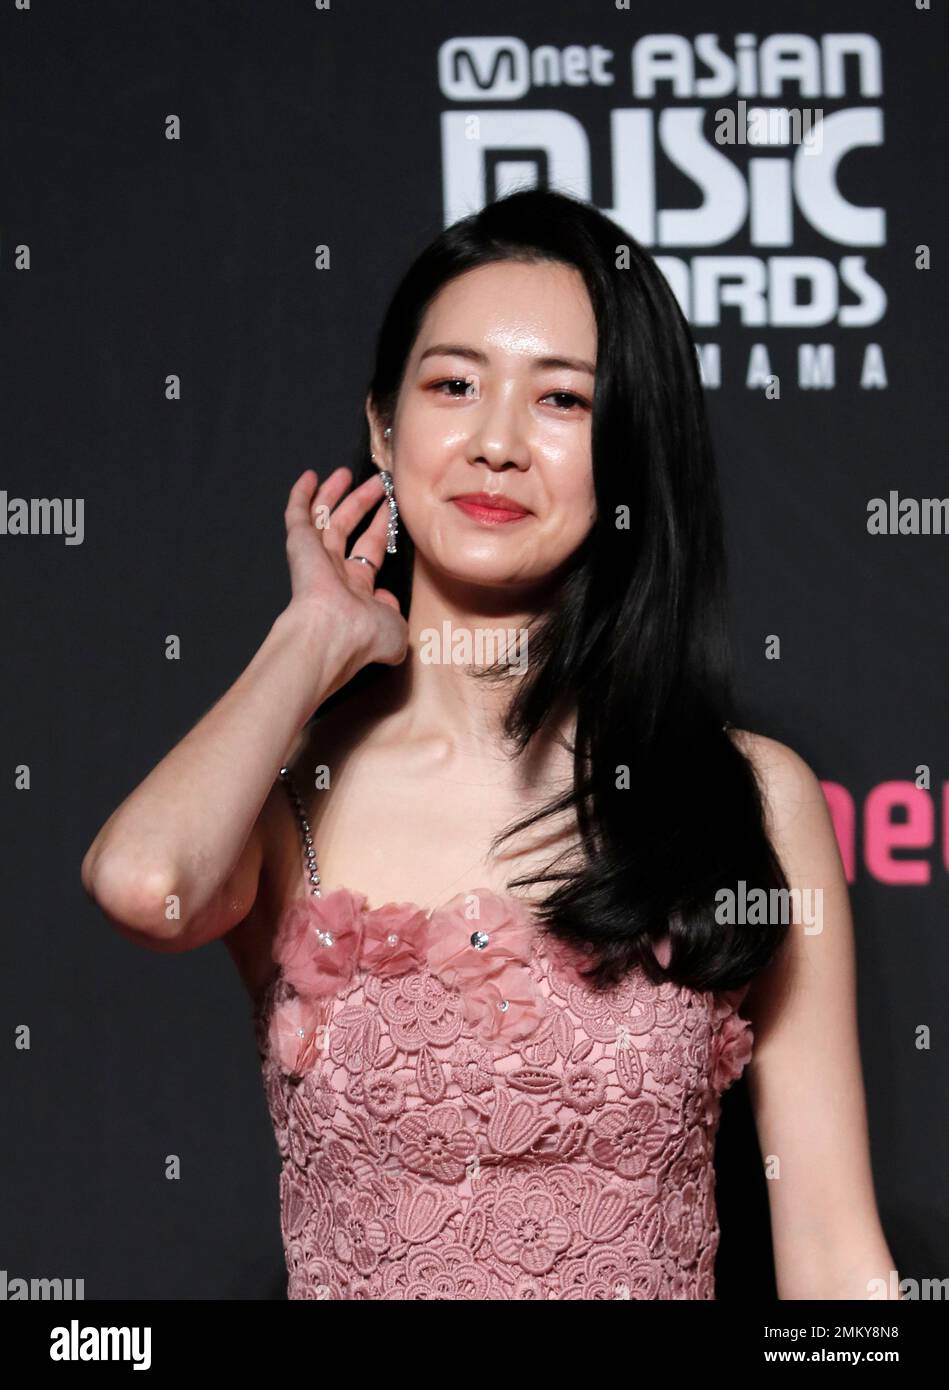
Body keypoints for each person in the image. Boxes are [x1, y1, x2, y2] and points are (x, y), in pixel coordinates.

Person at [81, 186, 896, 1301]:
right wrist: (312, 635)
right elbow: (143, 882)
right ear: (382, 426)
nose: (497, 443)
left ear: (626, 447)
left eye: (562, 399)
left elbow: (835, 1259)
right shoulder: (290, 796)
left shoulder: (747, 793)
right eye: (453, 385)